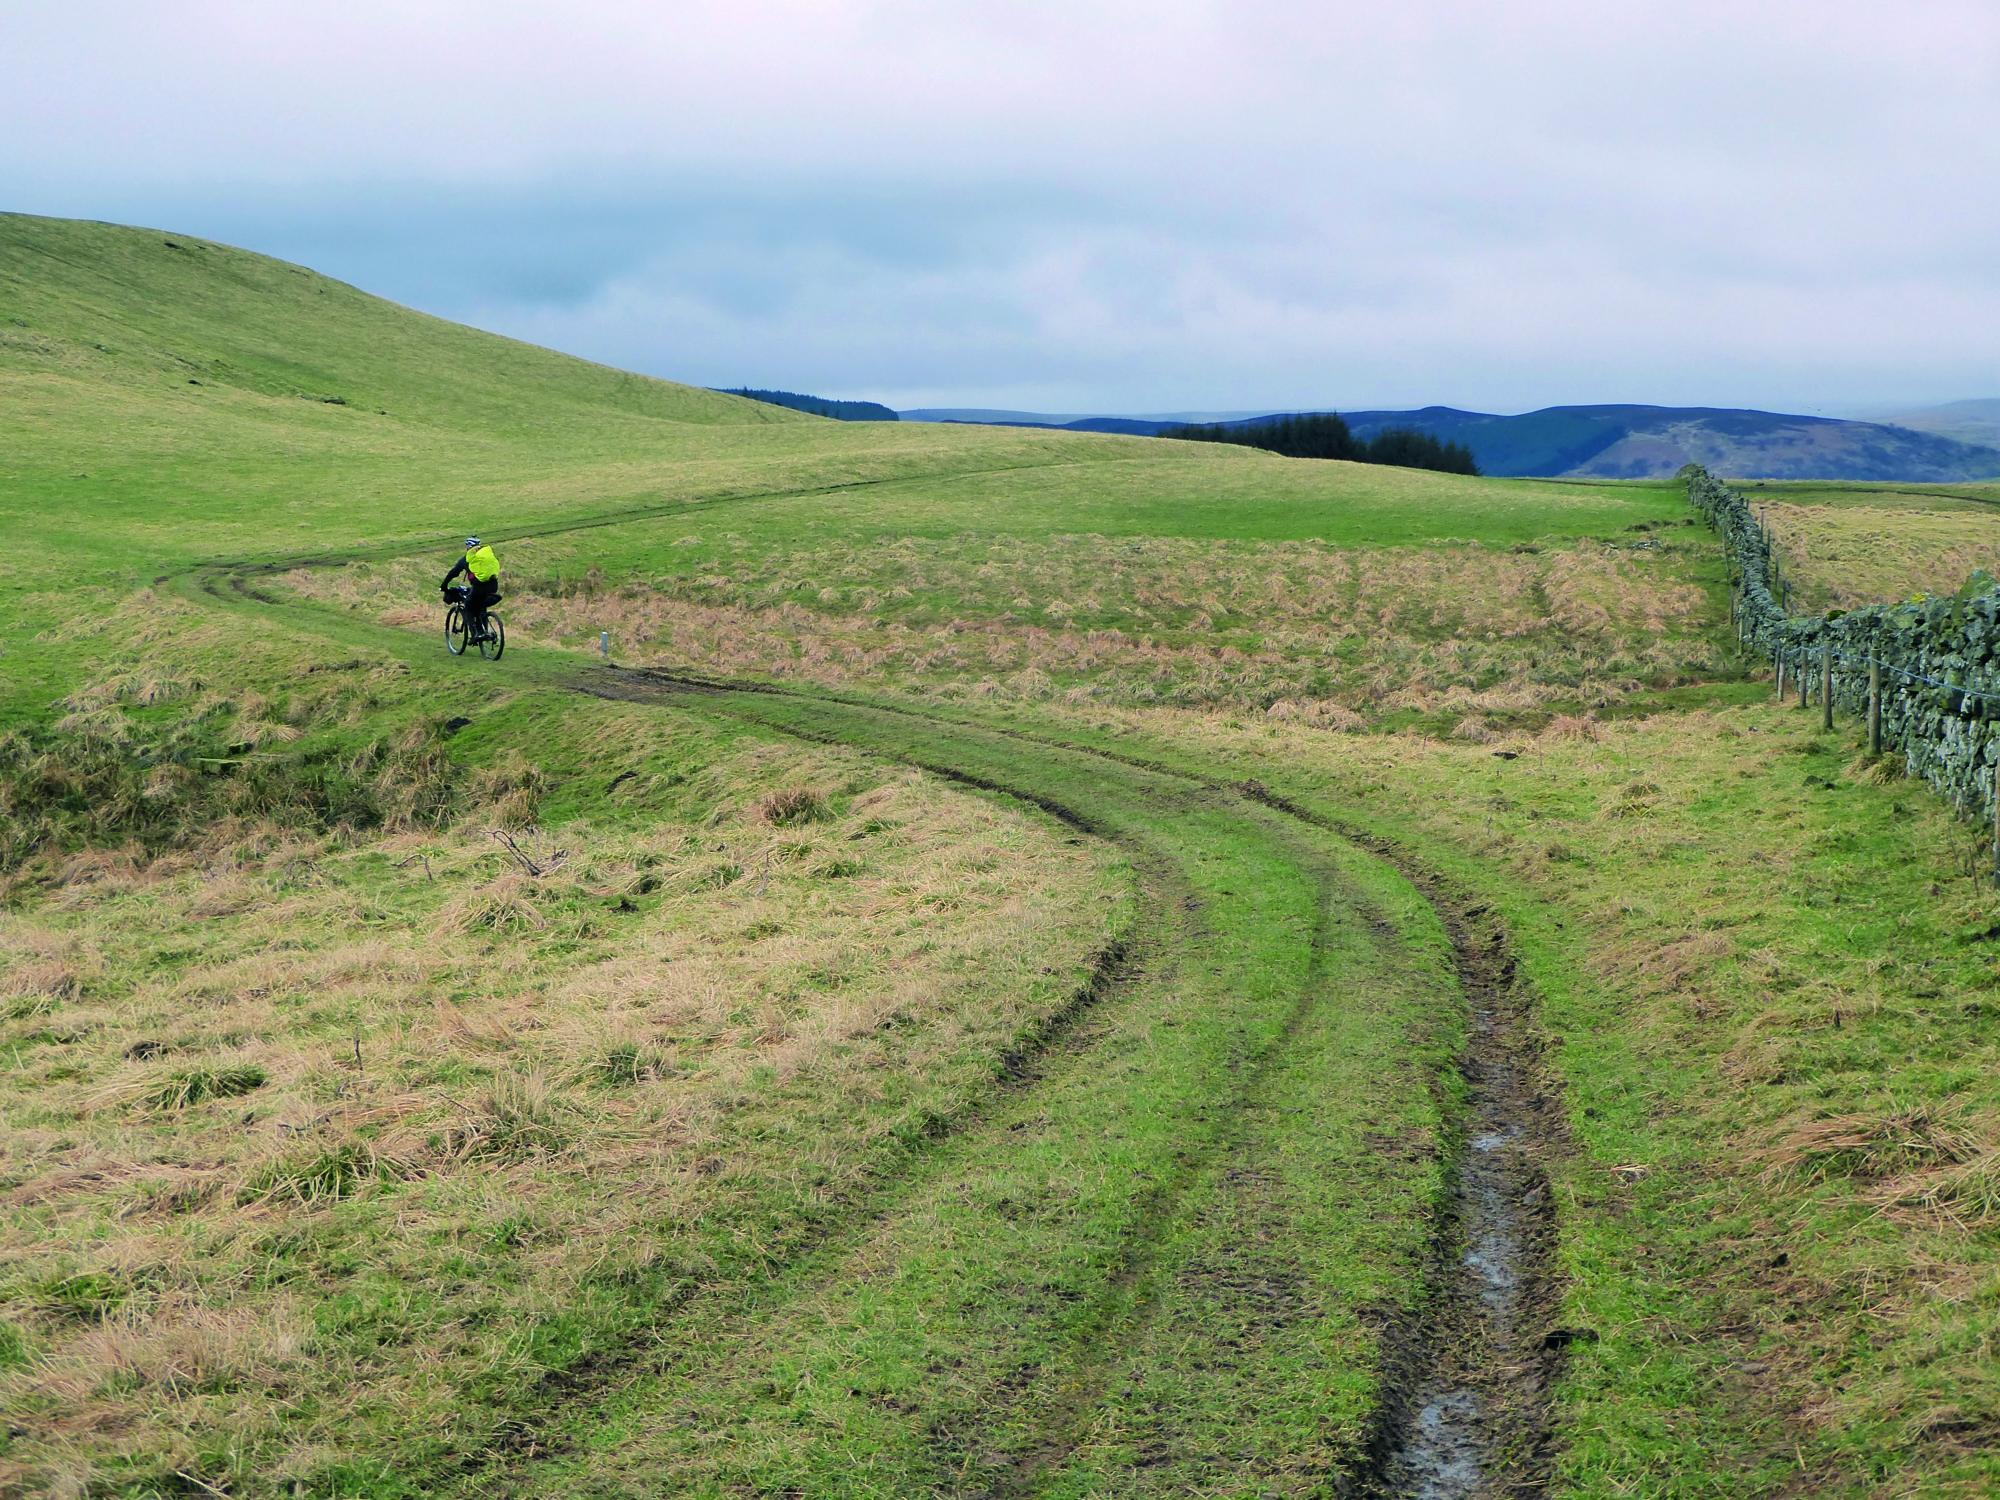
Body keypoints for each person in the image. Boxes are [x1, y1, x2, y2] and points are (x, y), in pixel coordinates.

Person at [442, 535, 501, 639]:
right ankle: (484, 632)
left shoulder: (468, 559)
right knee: (480, 605)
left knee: (469, 606)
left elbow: (454, 572)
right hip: (493, 585)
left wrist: (444, 585)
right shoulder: (485, 555)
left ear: (468, 546)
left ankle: (476, 634)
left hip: (479, 587)